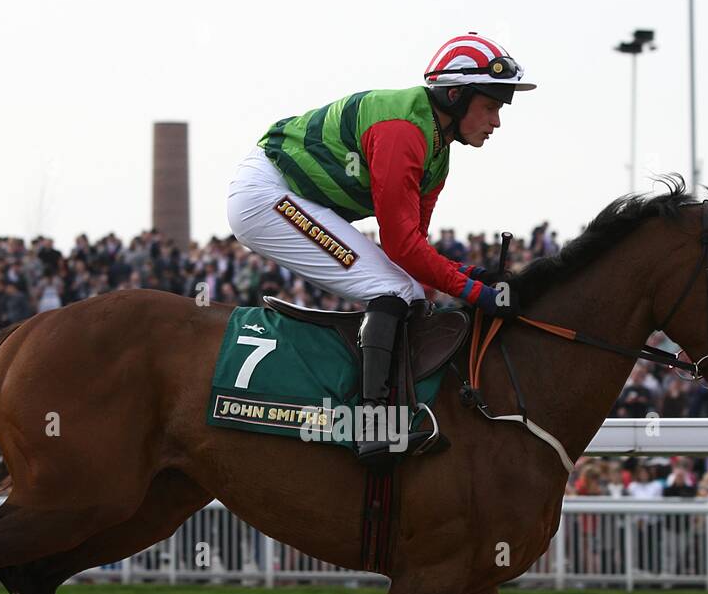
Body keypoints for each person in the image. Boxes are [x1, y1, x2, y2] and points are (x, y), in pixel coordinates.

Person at [226, 33, 536, 465]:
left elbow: (412, 247)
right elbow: (400, 246)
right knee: (394, 289)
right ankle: (372, 424)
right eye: (490, 107)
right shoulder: (402, 133)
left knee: (405, 284)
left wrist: (471, 274)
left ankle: (390, 408)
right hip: (265, 196)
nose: (496, 121)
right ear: (455, 96)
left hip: (295, 196)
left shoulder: (438, 152)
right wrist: (473, 293)